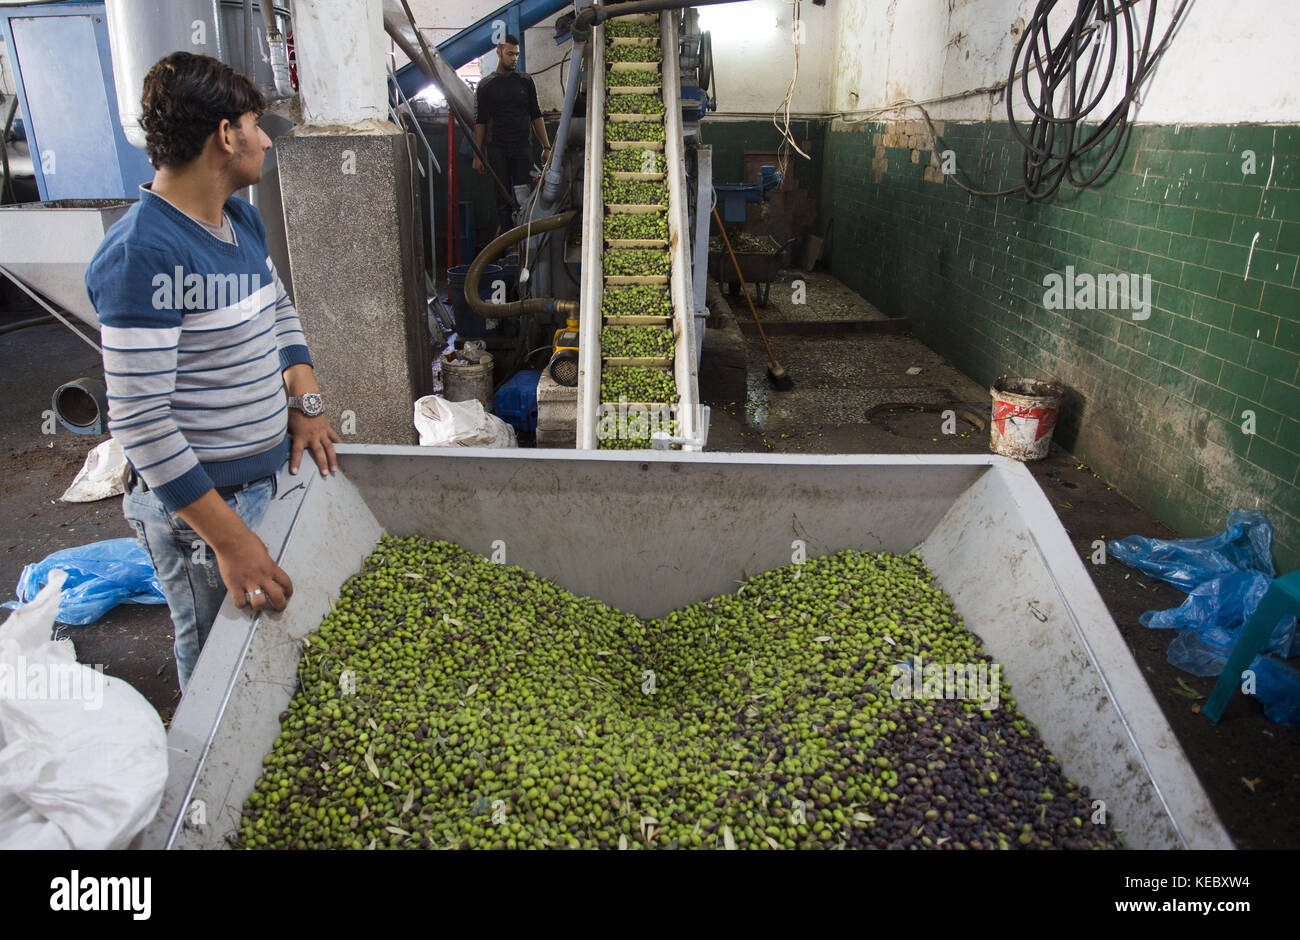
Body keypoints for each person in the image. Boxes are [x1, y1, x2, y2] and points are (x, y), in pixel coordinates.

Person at [85, 52, 341, 691]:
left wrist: (306, 406)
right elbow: (140, 423)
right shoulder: (144, 253)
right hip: (199, 518)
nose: (262, 140)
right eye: (255, 125)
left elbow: (277, 310)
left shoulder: (239, 220)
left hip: (262, 486)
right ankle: (197, 788)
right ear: (225, 136)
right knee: (215, 672)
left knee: (262, 649)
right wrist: (229, 542)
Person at [472, 34, 552, 236]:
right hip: (497, 149)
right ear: (498, 53)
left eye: (516, 54)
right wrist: (477, 155)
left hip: (522, 147)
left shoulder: (525, 81)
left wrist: (546, 146)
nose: (514, 58)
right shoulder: (485, 86)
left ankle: (526, 239)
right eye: (509, 54)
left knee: (524, 196)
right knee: (502, 199)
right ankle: (511, 246)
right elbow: (480, 122)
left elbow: (536, 114)